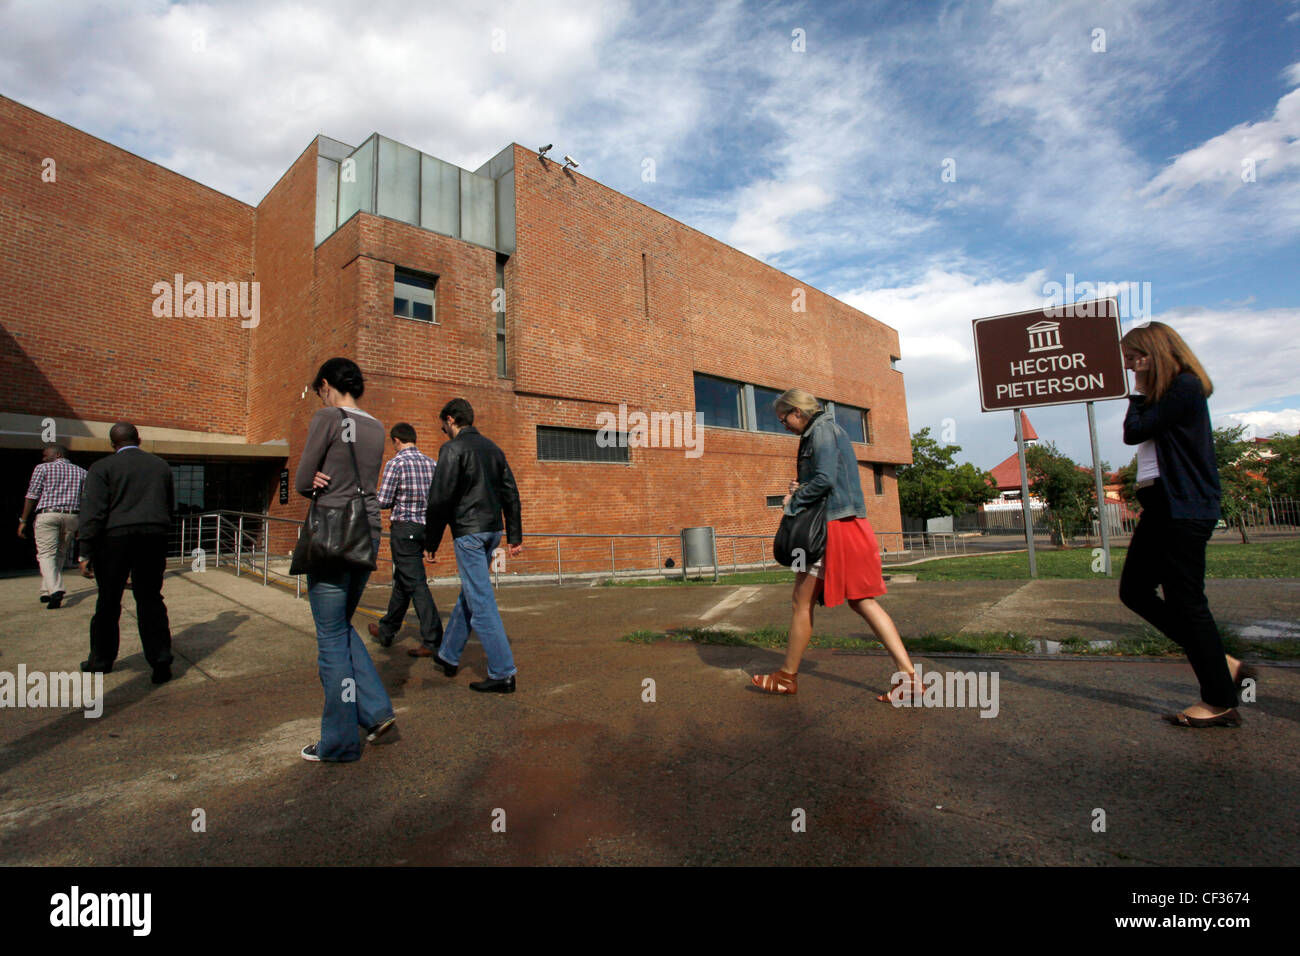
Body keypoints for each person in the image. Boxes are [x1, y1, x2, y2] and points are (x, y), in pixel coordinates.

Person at [751, 388, 921, 699]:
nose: (783, 425)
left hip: (830, 530)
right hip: (847, 525)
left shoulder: (822, 431)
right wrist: (802, 485)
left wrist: (794, 498)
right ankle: (909, 678)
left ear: (798, 412)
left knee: (801, 602)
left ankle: (787, 677)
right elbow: (827, 478)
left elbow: (826, 479)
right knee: (861, 600)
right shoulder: (827, 430)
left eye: (783, 418)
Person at [1118, 322, 1246, 728]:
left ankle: (1220, 700)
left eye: (1134, 358)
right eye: (1127, 361)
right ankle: (1220, 660)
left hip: (1183, 507)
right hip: (1163, 507)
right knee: (1135, 590)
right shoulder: (1168, 394)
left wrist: (1137, 390)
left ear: (1156, 352)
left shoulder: (1185, 387)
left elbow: (1133, 431)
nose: (1129, 367)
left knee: (1187, 601)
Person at [296, 358, 397, 761]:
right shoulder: (376, 426)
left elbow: (304, 479)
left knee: (330, 638)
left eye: (319, 388)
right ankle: (374, 712)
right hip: (367, 531)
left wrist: (317, 478)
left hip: (333, 530)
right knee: (339, 625)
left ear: (326, 384)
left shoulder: (327, 417)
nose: (319, 395)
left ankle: (338, 742)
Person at [425, 398, 523, 693]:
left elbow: (440, 498)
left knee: (480, 600)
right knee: (471, 593)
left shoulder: (452, 450)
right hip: (492, 531)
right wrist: (515, 535)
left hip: (469, 533)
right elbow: (511, 493)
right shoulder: (493, 449)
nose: (442, 429)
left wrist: (430, 541)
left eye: (443, 423)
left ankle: (503, 672)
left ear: (451, 419)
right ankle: (448, 655)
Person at [77, 424, 175, 683]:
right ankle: (161, 658)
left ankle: (100, 660)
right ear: (139, 439)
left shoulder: (101, 468)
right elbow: (169, 505)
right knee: (150, 598)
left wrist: (85, 550)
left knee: (108, 600)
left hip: (114, 538)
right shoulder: (160, 466)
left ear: (112, 444)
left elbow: (94, 512)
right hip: (153, 536)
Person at [369, 423, 443, 654]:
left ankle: (433, 638)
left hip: (404, 529)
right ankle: (386, 629)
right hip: (424, 528)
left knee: (416, 584)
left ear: (396, 440)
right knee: (403, 581)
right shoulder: (432, 464)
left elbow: (383, 501)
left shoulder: (396, 463)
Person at [18, 444, 87, 609]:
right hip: (72, 516)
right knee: (60, 553)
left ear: (57, 454)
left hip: (48, 514)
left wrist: (23, 520)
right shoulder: (82, 472)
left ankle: (56, 589)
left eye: (45, 454)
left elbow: (32, 494)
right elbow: (85, 500)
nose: (43, 458)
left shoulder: (42, 468)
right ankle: (46, 590)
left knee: (46, 554)